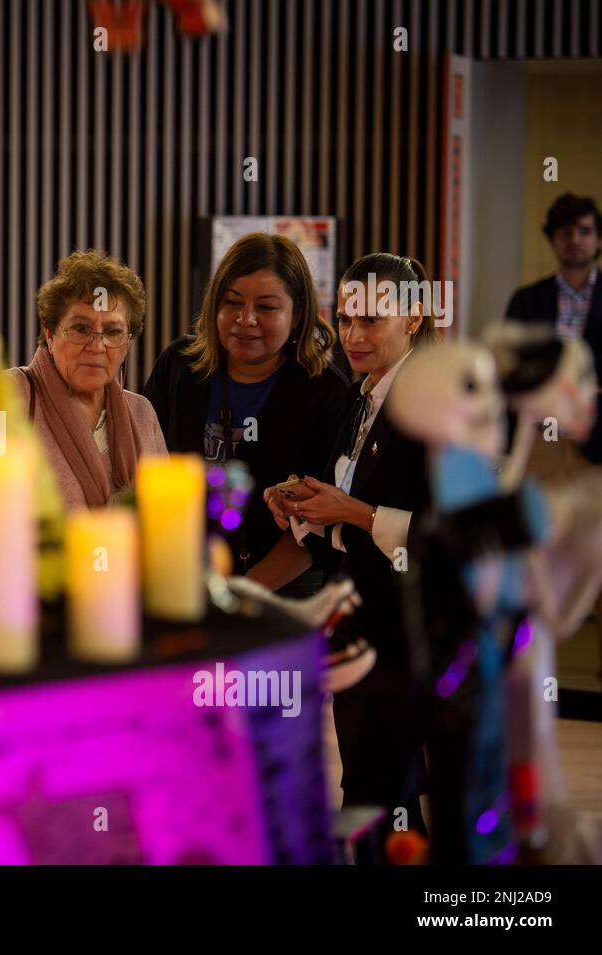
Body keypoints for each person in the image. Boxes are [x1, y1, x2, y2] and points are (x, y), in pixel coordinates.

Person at [247, 252, 441, 844]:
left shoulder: (432, 403)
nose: (353, 336)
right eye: (347, 320)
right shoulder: (362, 395)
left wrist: (350, 510)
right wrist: (304, 504)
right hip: (362, 623)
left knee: (379, 794)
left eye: (371, 321)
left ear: (412, 320)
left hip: (409, 630)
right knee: (373, 788)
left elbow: (450, 537)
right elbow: (350, 515)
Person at [142, 232, 348, 582]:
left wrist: (239, 599)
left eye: (266, 307)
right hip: (177, 576)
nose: (245, 319)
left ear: (297, 315)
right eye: (232, 303)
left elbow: (316, 527)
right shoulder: (178, 366)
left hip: (280, 589)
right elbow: (145, 470)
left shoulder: (325, 391)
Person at [7, 250, 167, 509]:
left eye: (113, 331)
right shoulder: (13, 395)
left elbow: (165, 516)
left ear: (127, 342)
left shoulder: (142, 414)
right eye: (82, 329)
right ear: (50, 333)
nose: (97, 346)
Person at [505, 193, 602, 462]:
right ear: (552, 239)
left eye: (585, 231)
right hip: (534, 435)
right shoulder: (526, 300)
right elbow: (510, 363)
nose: (575, 239)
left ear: (599, 239)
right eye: (566, 231)